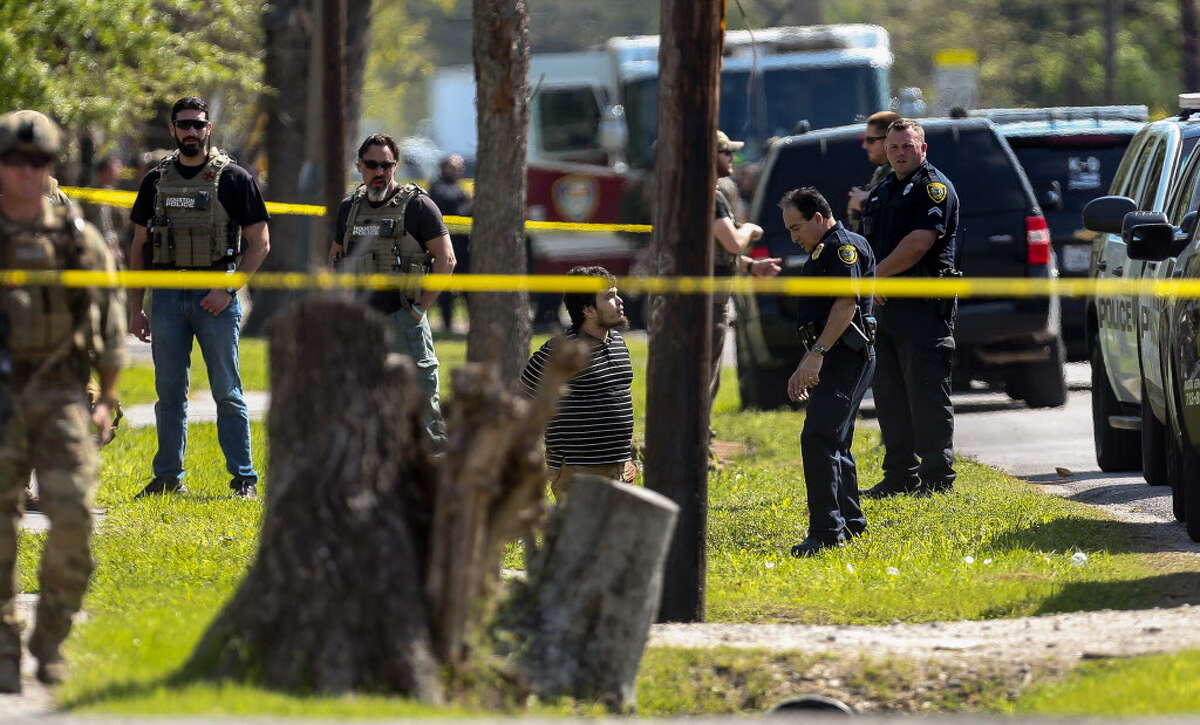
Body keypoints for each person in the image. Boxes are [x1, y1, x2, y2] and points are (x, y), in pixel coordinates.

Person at [0, 110, 126, 689]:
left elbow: (109, 319)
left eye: (39, 163)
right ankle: (3, 645)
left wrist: (107, 398)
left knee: (73, 515)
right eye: (15, 162)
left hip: (61, 394)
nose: (28, 174)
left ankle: (49, 637)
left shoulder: (77, 238)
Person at [127, 96, 271, 500]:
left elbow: (260, 243)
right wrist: (135, 307)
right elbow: (138, 245)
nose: (191, 131)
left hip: (216, 299)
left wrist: (227, 289)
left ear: (209, 129)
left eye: (198, 124)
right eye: (184, 124)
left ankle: (244, 479)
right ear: (173, 130)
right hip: (168, 298)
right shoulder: (155, 180)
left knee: (227, 390)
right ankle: (168, 476)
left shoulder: (235, 179)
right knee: (169, 392)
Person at [329, 133, 456, 447]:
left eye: (386, 165)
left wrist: (419, 309)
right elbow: (335, 258)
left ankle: (435, 473)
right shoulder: (349, 208)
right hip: (362, 322)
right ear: (359, 166)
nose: (379, 172)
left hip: (404, 317)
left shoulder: (418, 206)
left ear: (395, 166)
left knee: (423, 399)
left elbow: (446, 259)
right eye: (372, 165)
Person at [860, 118, 960, 498]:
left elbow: (918, 242)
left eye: (907, 146)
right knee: (889, 395)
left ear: (922, 149)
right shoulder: (884, 188)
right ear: (885, 150)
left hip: (922, 306)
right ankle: (900, 476)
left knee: (926, 395)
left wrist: (875, 279)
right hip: (884, 307)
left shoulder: (931, 188)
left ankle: (938, 478)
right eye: (894, 147)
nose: (900, 153)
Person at [780, 188, 876, 557]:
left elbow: (845, 304)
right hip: (837, 356)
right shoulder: (829, 247)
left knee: (818, 439)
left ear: (818, 217)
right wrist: (809, 359)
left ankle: (826, 531)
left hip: (844, 357)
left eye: (796, 227)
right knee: (835, 441)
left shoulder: (840, 248)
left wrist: (817, 354)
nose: (794, 237)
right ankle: (851, 523)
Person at [519, 266, 634, 502]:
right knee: (577, 537)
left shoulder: (618, 343)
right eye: (609, 297)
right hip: (578, 470)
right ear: (588, 310)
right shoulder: (561, 351)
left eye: (616, 293)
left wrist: (628, 457)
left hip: (620, 467)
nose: (619, 301)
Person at [710, 130, 782, 410]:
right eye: (726, 151)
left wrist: (752, 265)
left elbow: (712, 253)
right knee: (706, 373)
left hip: (711, 294)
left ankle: (700, 434)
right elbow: (731, 243)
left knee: (710, 372)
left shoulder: (701, 192)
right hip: (710, 300)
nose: (733, 158)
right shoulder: (712, 196)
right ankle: (697, 438)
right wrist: (749, 229)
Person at [426, 154, 470, 332]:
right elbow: (453, 207)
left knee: (468, 288)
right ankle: (447, 325)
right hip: (444, 247)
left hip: (462, 247)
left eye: (461, 167)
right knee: (444, 290)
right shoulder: (438, 188)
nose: (459, 170)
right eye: (454, 167)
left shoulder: (457, 188)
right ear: (444, 168)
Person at [847, 110, 899, 234]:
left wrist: (863, 202)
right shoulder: (882, 172)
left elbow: (895, 216)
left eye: (870, 140)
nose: (864, 145)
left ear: (888, 140)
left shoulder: (904, 173)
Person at [84, 155, 128, 262]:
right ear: (104, 171)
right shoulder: (88, 194)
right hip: (93, 246)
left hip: (114, 248)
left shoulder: (118, 196)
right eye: (115, 168)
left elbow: (124, 223)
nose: (118, 172)